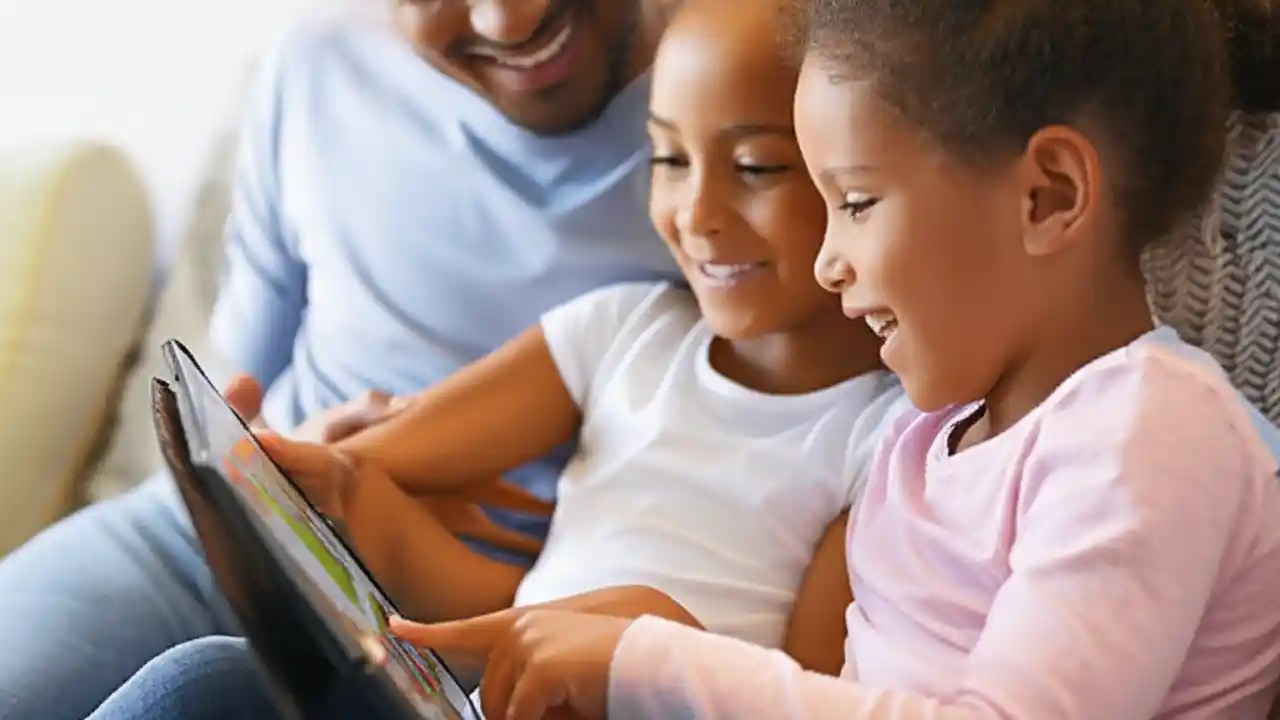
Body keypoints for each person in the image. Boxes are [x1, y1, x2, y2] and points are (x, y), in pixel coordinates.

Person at [389, 0, 1280, 718]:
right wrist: (659, 639)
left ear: (1048, 196)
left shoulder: (1154, 432)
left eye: (855, 203)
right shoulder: (924, 439)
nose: (828, 263)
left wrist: (659, 662)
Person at [83, 1, 907, 715]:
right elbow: (475, 578)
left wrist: (656, 643)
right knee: (208, 679)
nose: (696, 215)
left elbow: (799, 697)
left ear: (857, 183)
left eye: (757, 167)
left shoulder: (883, 440)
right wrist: (343, 489)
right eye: (667, 159)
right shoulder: (621, 333)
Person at [0, 2, 685, 718]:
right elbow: (241, 380)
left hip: (465, 633)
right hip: (220, 533)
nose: (506, 21)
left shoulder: (736, 112)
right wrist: (286, 455)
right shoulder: (320, 64)